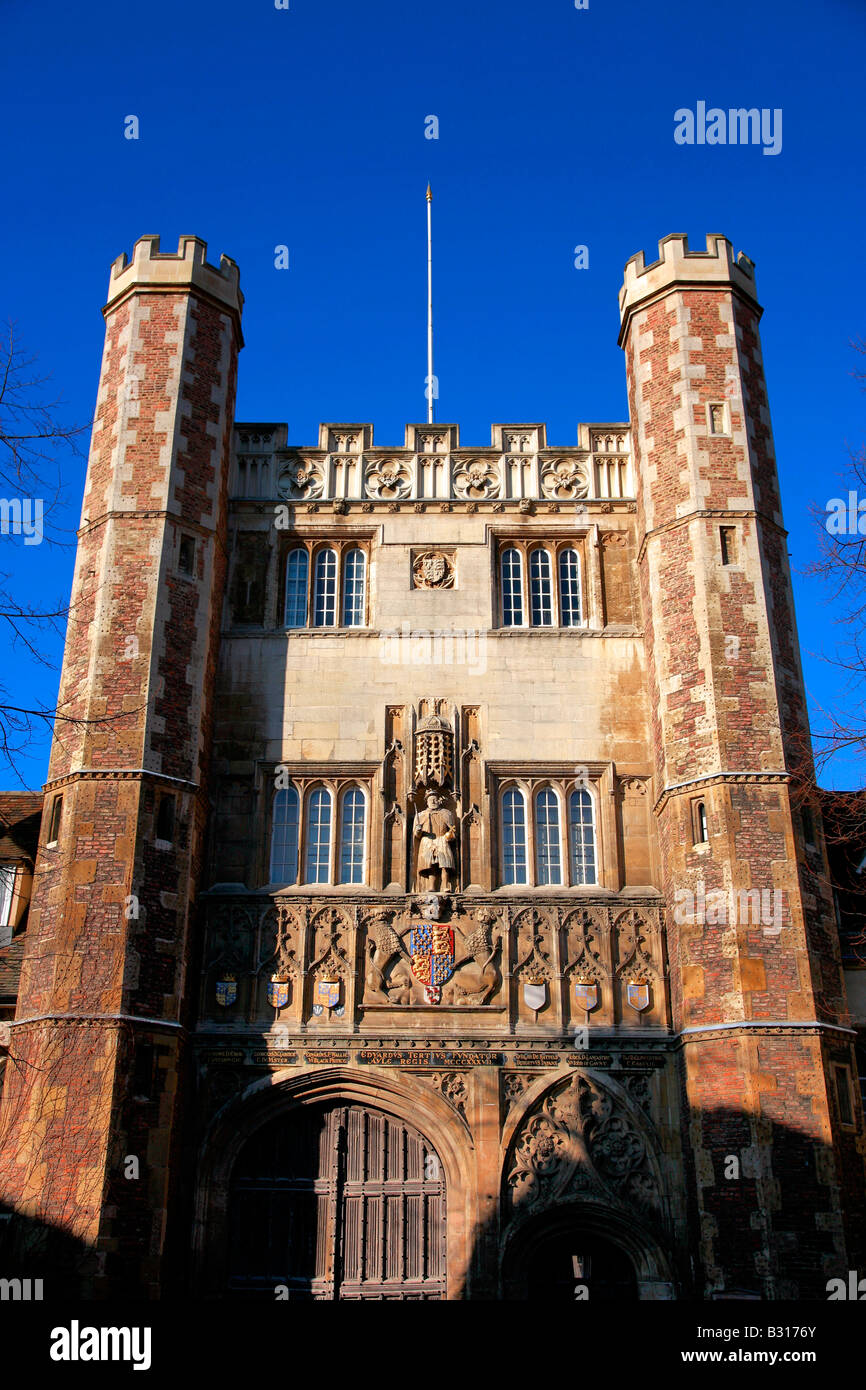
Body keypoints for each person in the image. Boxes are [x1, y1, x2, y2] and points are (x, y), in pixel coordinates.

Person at [414, 791, 458, 893]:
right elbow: (416, 835)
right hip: (427, 841)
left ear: (439, 800)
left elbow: (452, 829)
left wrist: (450, 835)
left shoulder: (446, 813)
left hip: (442, 840)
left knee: (445, 864)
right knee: (431, 865)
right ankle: (431, 886)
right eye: (430, 799)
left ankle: (445, 886)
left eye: (435, 799)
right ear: (427, 802)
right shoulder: (421, 815)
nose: (433, 801)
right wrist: (418, 830)